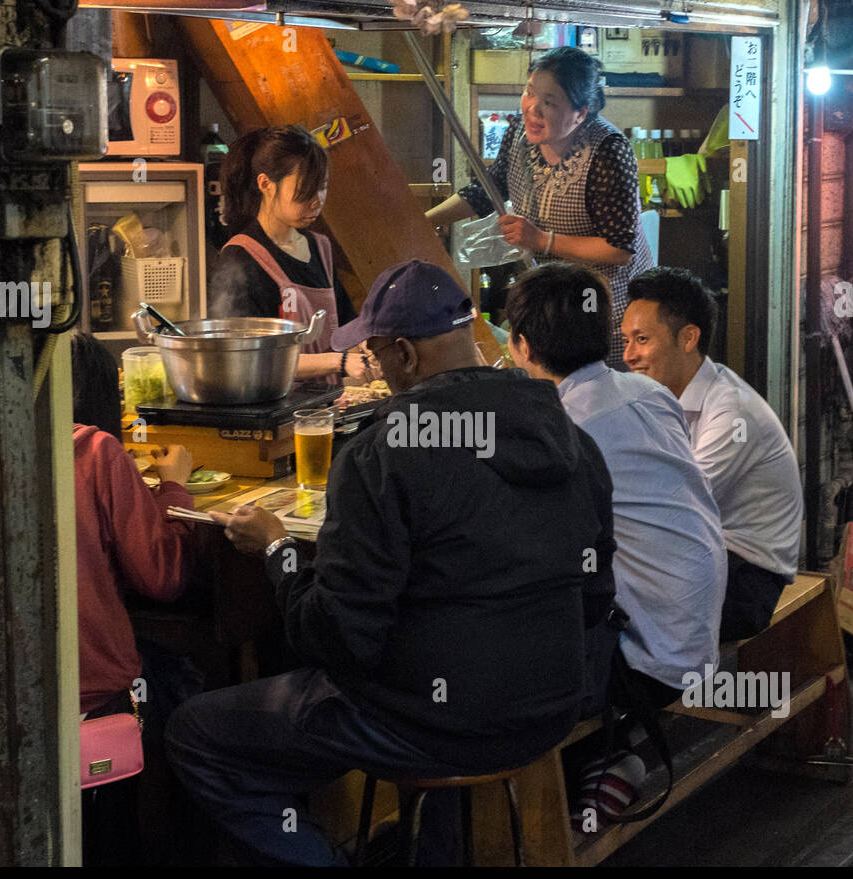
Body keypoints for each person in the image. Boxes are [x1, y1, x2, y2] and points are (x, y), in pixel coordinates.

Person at [165, 260, 617, 865]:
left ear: (403, 353)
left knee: (198, 732)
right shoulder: (570, 436)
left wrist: (277, 552)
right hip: (553, 702)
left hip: (433, 721)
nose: (376, 371)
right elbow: (594, 596)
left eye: (375, 357)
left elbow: (336, 639)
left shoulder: (383, 454)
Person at [506, 262, 725, 822]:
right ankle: (611, 757)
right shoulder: (645, 393)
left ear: (522, 346)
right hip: (698, 627)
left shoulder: (559, 430)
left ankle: (520, 802)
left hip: (646, 661)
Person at [426, 46, 653, 368]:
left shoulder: (608, 151)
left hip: (604, 307)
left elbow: (619, 249)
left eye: (550, 102)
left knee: (594, 394)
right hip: (552, 301)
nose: (533, 109)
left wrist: (542, 240)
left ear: (581, 112)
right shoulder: (519, 130)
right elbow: (489, 189)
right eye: (529, 92)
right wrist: (427, 220)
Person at [621, 267, 803, 643]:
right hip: (705, 555)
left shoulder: (731, 411)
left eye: (641, 339)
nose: (628, 356)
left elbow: (677, 508)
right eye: (625, 340)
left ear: (688, 338)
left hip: (747, 579)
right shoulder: (658, 397)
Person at [71, 332, 195, 865]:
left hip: (9, 698)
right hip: (94, 698)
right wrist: (174, 487)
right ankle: (184, 845)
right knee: (181, 678)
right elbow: (164, 577)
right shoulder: (96, 451)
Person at [210, 124, 380, 385]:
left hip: (328, 407)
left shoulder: (320, 248)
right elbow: (249, 357)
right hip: (277, 410)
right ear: (266, 184)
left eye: (321, 187)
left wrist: (367, 347)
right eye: (304, 190)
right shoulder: (241, 257)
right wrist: (340, 361)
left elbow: (345, 328)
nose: (316, 201)